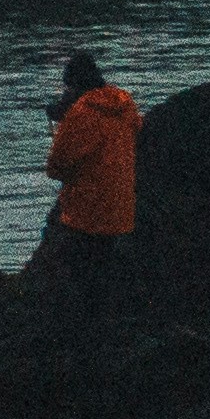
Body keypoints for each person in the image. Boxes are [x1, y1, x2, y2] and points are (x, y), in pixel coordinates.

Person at [39, 49, 140, 292]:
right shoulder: (124, 103)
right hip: (122, 209)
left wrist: (64, 122)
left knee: (75, 273)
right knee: (105, 269)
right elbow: (136, 130)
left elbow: (55, 168)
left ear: (73, 85)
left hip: (87, 215)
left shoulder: (80, 113)